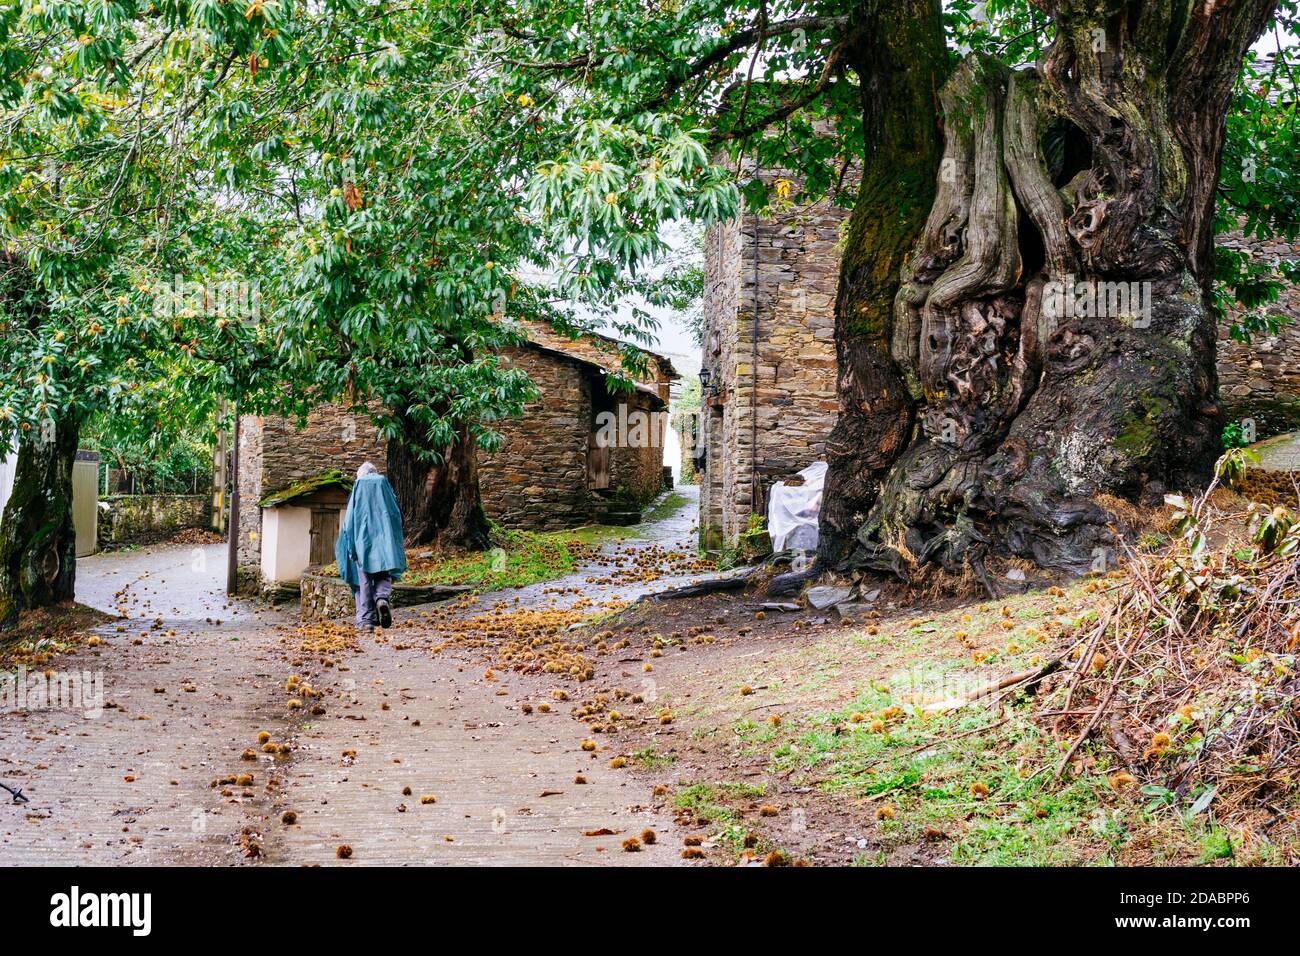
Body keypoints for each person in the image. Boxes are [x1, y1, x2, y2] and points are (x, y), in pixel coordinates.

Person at [335, 462, 407, 631]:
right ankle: (382, 598)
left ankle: (367, 621)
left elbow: (350, 521)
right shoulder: (384, 485)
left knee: (365, 579)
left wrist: (351, 547)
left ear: (361, 475)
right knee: (384, 573)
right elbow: (396, 514)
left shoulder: (358, 486)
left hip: (363, 540)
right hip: (385, 539)